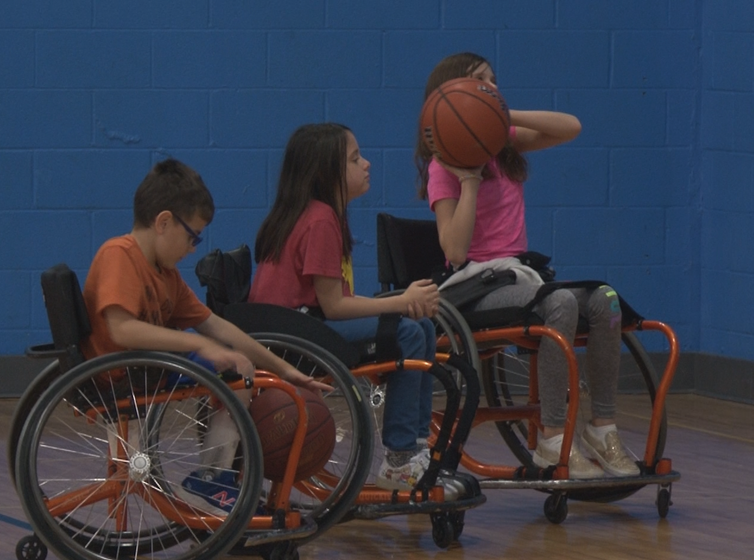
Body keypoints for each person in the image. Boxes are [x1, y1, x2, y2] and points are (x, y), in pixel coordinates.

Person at [416, 52, 639, 478]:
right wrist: (469, 182)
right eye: (481, 83)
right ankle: (551, 438)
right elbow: (457, 251)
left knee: (606, 300)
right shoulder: (442, 168)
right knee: (560, 306)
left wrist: (496, 113)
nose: (493, 88)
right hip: (475, 286)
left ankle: (602, 426)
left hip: (519, 275)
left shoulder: (505, 143)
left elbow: (571, 127)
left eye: (494, 82)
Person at [82, 157, 326, 514]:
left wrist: (282, 368)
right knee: (228, 368)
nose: (193, 247)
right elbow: (122, 329)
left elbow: (217, 325)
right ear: (164, 222)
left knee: (236, 365)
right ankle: (210, 482)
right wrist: (200, 344)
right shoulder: (119, 254)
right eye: (192, 235)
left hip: (145, 370)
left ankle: (217, 479)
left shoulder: (165, 274)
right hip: (121, 376)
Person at [249, 123, 443, 492]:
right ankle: (401, 457)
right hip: (294, 335)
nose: (367, 164)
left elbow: (333, 304)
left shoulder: (310, 213)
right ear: (327, 174)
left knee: (423, 328)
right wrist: (402, 301)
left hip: (295, 325)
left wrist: (398, 304)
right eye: (355, 159)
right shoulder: (320, 219)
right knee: (408, 332)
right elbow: (335, 307)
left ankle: (415, 447)